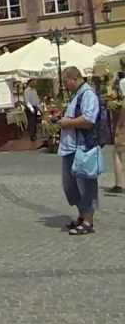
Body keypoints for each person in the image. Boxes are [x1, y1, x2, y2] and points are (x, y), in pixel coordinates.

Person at [59, 67, 100, 236]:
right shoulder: (76, 94)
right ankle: (82, 216)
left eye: (65, 82)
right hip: (70, 148)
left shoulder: (88, 94)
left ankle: (88, 221)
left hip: (82, 148)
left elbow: (89, 119)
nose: (64, 86)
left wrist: (67, 123)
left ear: (73, 78)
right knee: (70, 186)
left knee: (85, 185)